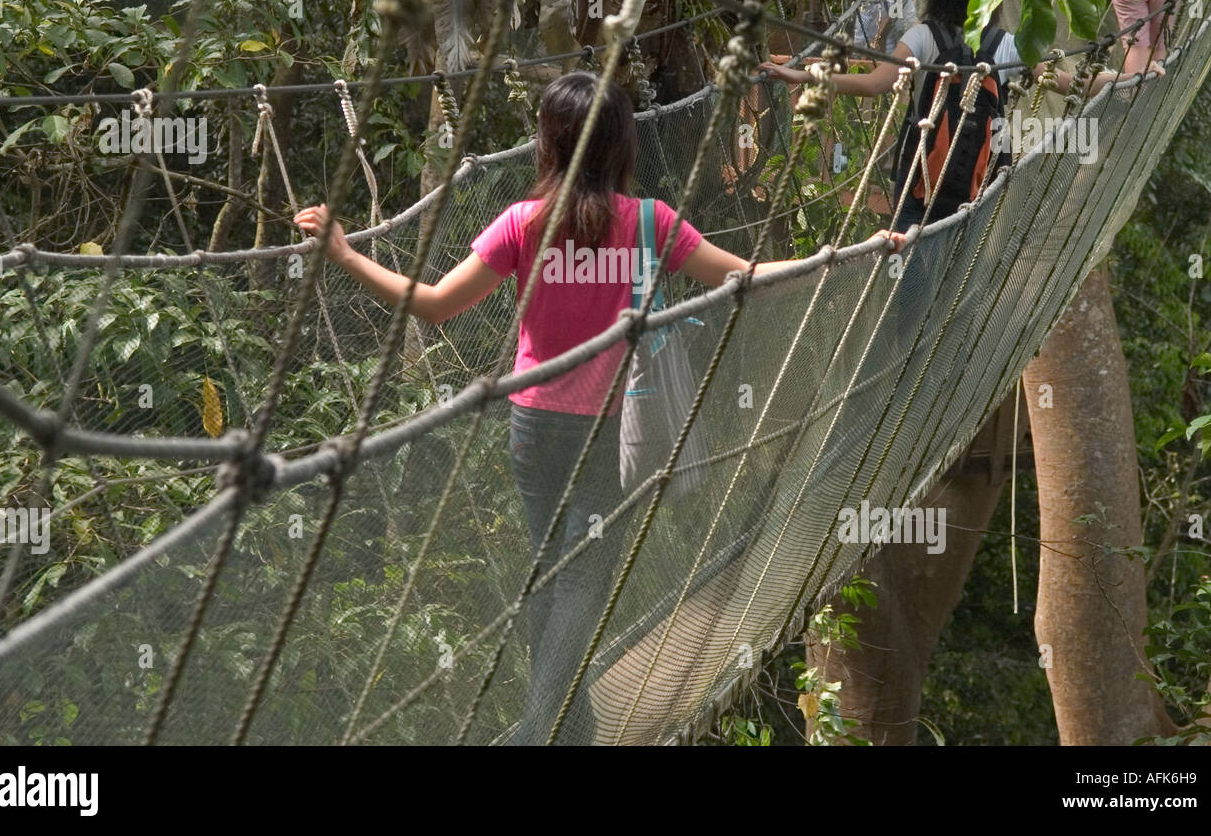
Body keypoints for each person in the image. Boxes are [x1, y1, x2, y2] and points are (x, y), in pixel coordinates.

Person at [295, 72, 827, 744]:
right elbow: (742, 277)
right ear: (620, 144)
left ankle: (571, 727)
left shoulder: (524, 223)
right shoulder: (646, 223)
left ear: (550, 143)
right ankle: (541, 731)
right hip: (597, 437)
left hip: (533, 429)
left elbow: (432, 305)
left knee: (550, 580)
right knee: (578, 585)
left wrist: (344, 253)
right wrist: (830, 261)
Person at [760, 0, 1133, 231]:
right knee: (954, 282)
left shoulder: (923, 37)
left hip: (918, 178)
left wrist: (804, 76)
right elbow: (1071, 84)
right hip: (980, 182)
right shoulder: (1005, 46)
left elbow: (875, 85)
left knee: (906, 272)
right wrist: (1128, 79)